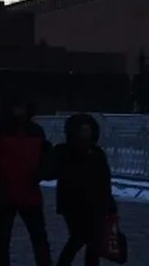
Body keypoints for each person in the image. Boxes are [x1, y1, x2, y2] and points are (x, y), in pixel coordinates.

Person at [0, 93, 53, 266]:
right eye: (18, 107)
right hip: (5, 193)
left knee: (39, 238)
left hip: (29, 192)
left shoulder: (35, 130)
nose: (21, 111)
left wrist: (40, 173)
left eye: (23, 107)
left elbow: (44, 158)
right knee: (3, 239)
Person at [52, 113, 115, 266]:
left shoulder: (97, 153)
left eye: (88, 130)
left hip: (95, 205)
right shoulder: (64, 151)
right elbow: (54, 171)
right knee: (78, 238)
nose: (86, 134)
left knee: (94, 242)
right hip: (72, 204)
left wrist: (109, 203)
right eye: (82, 130)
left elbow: (104, 180)